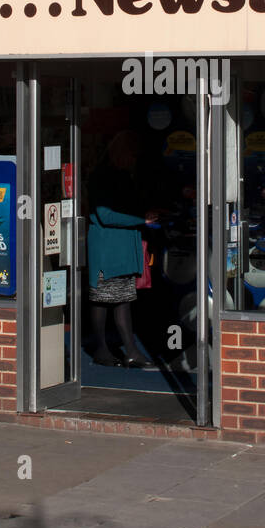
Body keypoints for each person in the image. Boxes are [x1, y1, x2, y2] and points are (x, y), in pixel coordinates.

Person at [86, 130, 158, 368]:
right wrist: (140, 218)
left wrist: (143, 214)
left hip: (119, 251)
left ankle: (125, 350)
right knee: (104, 299)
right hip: (109, 250)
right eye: (131, 155)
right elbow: (105, 215)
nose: (133, 160)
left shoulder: (121, 176)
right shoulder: (102, 177)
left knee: (119, 299)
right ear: (121, 154)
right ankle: (105, 348)